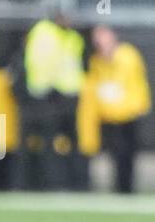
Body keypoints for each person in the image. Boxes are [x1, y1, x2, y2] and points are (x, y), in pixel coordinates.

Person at [13, 14, 84, 190]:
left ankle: (27, 184)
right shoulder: (53, 37)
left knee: (39, 143)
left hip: (42, 96)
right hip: (52, 97)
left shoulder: (47, 36)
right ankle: (54, 184)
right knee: (52, 143)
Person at [86, 26, 150, 194]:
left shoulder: (128, 55)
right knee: (114, 154)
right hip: (108, 114)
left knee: (128, 153)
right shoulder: (97, 61)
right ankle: (118, 187)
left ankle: (127, 188)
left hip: (128, 112)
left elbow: (137, 82)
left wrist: (140, 105)